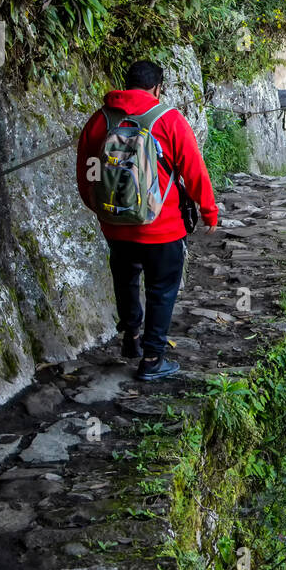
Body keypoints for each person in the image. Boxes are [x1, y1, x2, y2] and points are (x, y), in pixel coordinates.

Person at [76, 59, 218, 380]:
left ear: (126, 83)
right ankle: (153, 359)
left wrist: (101, 211)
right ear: (157, 88)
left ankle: (132, 338)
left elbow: (88, 174)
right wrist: (208, 210)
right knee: (161, 289)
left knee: (125, 279)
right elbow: (193, 170)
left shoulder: (100, 121)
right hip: (161, 227)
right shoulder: (168, 119)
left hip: (116, 225)